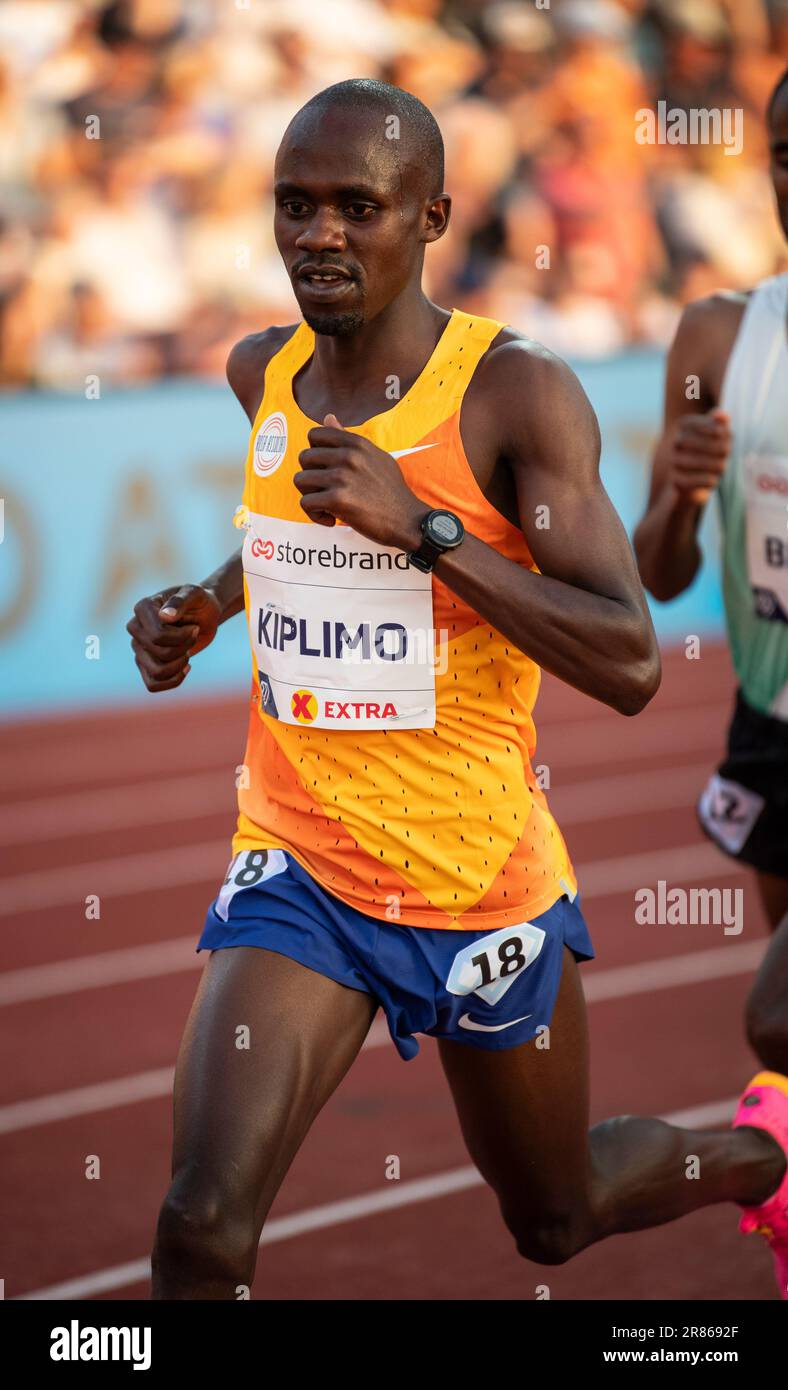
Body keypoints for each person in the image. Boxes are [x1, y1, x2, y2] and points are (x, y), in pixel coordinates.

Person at [128, 79, 788, 1301]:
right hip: (301, 866)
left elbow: (629, 658)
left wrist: (424, 528)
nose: (317, 234)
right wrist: (205, 605)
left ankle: (760, 1162)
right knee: (198, 1226)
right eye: (294, 206)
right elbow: (287, 530)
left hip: (479, 880)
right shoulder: (261, 370)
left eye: (355, 207)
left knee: (556, 1214)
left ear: (429, 216)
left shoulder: (515, 394)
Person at [634, 73, 788, 1087]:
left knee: (776, 1019)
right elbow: (656, 568)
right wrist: (681, 497)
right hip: (771, 720)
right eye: (783, 155)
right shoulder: (717, 337)